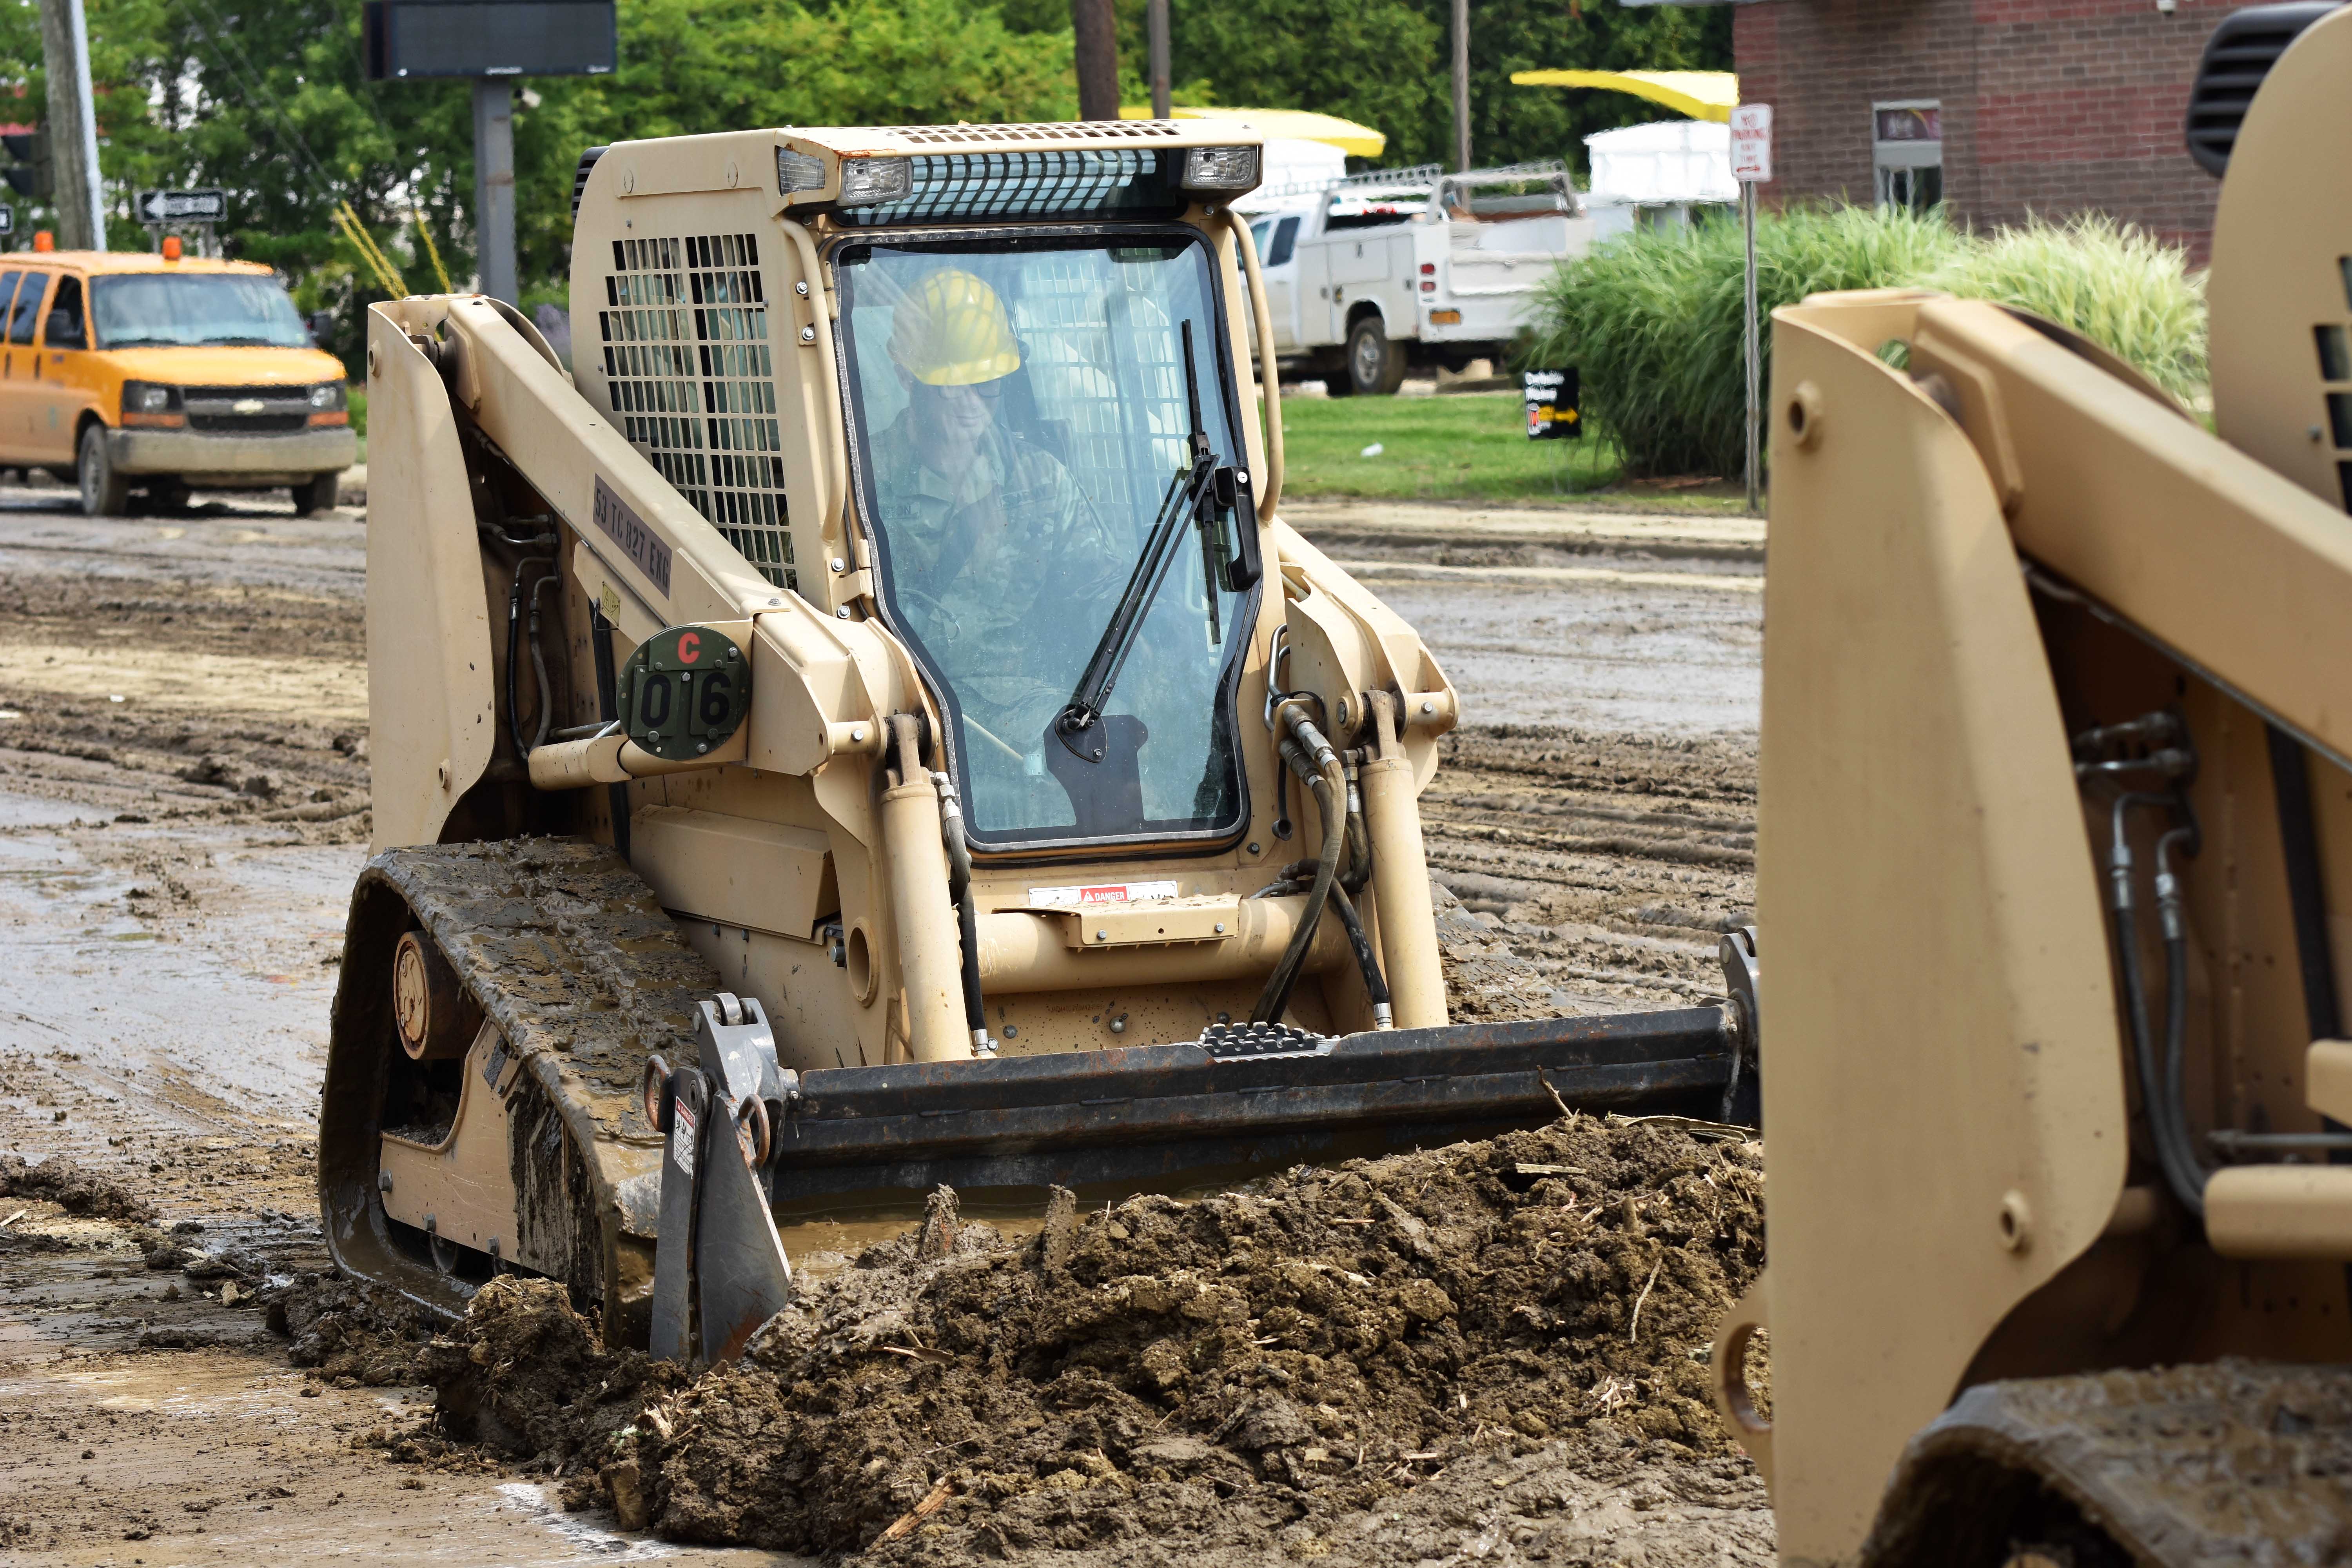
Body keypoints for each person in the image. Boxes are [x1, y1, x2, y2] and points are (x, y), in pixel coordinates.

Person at [866, 268, 1125, 777]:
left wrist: (1149, 630)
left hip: (1026, 706)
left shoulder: (1038, 481)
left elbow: (1099, 585)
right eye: (953, 387)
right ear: (906, 377)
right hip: (898, 714)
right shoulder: (860, 483)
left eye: (988, 387)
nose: (972, 405)